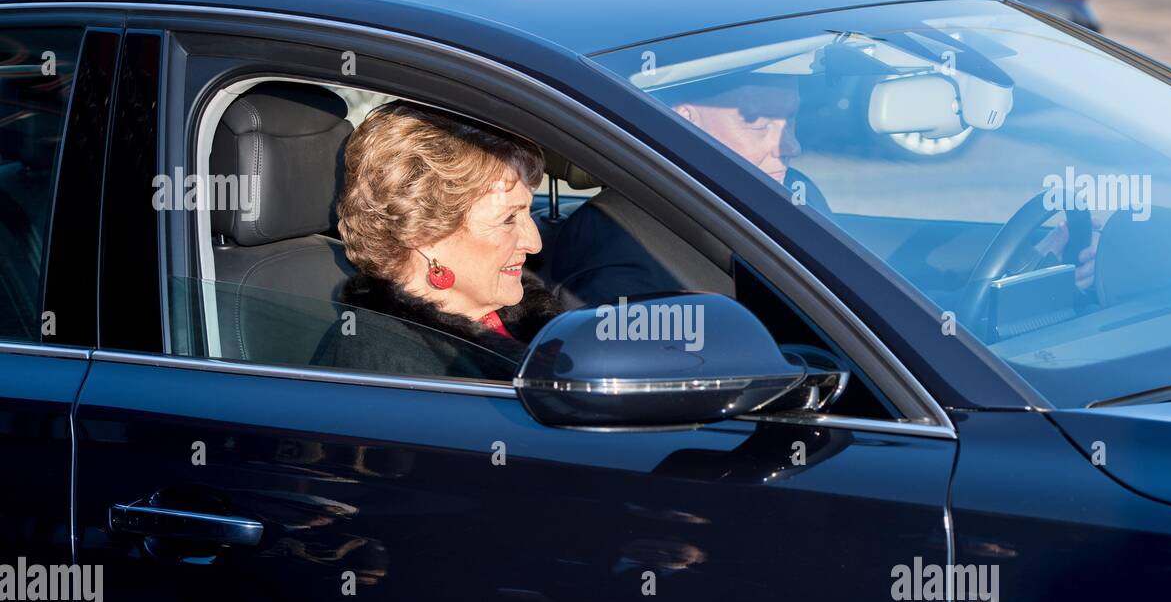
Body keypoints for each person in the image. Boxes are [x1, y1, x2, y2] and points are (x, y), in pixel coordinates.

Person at [314, 102, 562, 378]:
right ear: (423, 232)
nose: (534, 243)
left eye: (527, 213)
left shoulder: (518, 315)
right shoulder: (384, 368)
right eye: (508, 219)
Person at [548, 73, 829, 305]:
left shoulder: (795, 192)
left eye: (790, 119)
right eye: (758, 123)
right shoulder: (617, 238)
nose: (792, 146)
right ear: (685, 121)